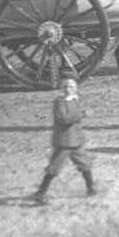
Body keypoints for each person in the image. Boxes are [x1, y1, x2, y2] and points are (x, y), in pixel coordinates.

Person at [32, 72, 95, 205]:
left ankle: (91, 188)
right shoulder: (59, 102)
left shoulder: (75, 100)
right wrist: (82, 114)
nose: (68, 89)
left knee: (85, 164)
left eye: (71, 86)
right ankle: (40, 193)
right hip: (64, 142)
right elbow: (64, 119)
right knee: (54, 168)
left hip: (76, 140)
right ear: (62, 88)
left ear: (76, 87)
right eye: (66, 86)